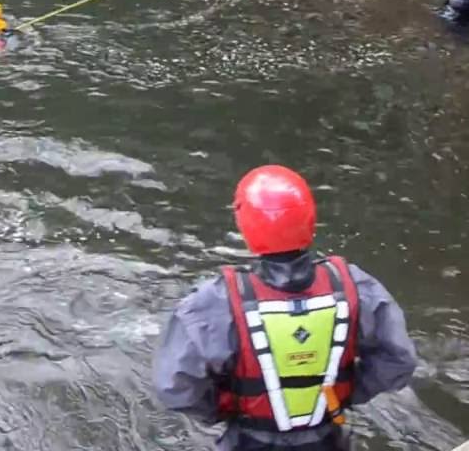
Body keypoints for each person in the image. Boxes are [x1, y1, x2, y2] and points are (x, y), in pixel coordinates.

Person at [153, 165, 418, 451]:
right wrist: (344, 393)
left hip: (248, 440)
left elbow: (176, 388)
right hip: (327, 439)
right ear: (310, 218)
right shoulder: (357, 287)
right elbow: (398, 360)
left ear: (245, 227)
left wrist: (223, 409)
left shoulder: (212, 303)